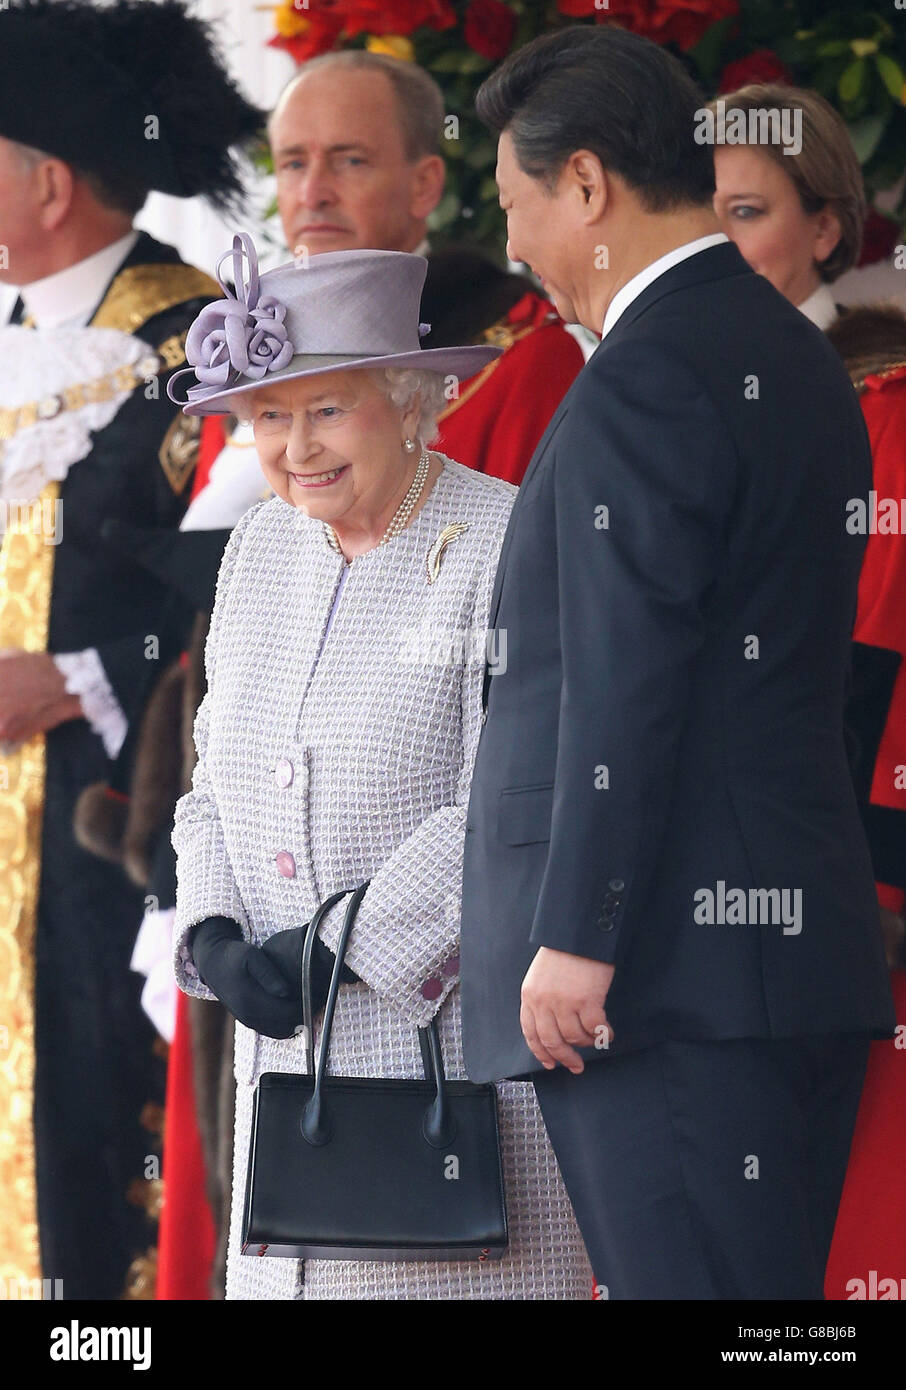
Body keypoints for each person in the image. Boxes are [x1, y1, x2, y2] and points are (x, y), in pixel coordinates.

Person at [459, 25, 896, 1300]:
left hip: (660, 983)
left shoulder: (647, 372)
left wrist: (580, 936)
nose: (518, 246)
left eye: (518, 202)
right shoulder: (792, 354)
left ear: (586, 183)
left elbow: (624, 676)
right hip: (770, 963)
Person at [169, 234, 593, 1300]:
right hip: (285, 1090)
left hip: (442, 1077)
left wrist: (340, 945)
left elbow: (515, 794)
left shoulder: (504, 541)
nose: (295, 446)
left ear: (410, 399)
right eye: (268, 415)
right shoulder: (260, 548)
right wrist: (214, 929)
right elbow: (211, 774)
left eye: (326, 408)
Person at [0, 0, 261, 1299]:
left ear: (44, 178)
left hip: (108, 822)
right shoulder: (7, 331)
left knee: (93, 1122)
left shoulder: (195, 342)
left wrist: (78, 675)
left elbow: (243, 584)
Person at [712, 81, 906, 1298]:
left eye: (746, 211)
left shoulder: (883, 406)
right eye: (694, 213)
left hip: (832, 895)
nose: (714, 246)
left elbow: (871, 656)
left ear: (826, 227)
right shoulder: (628, 396)